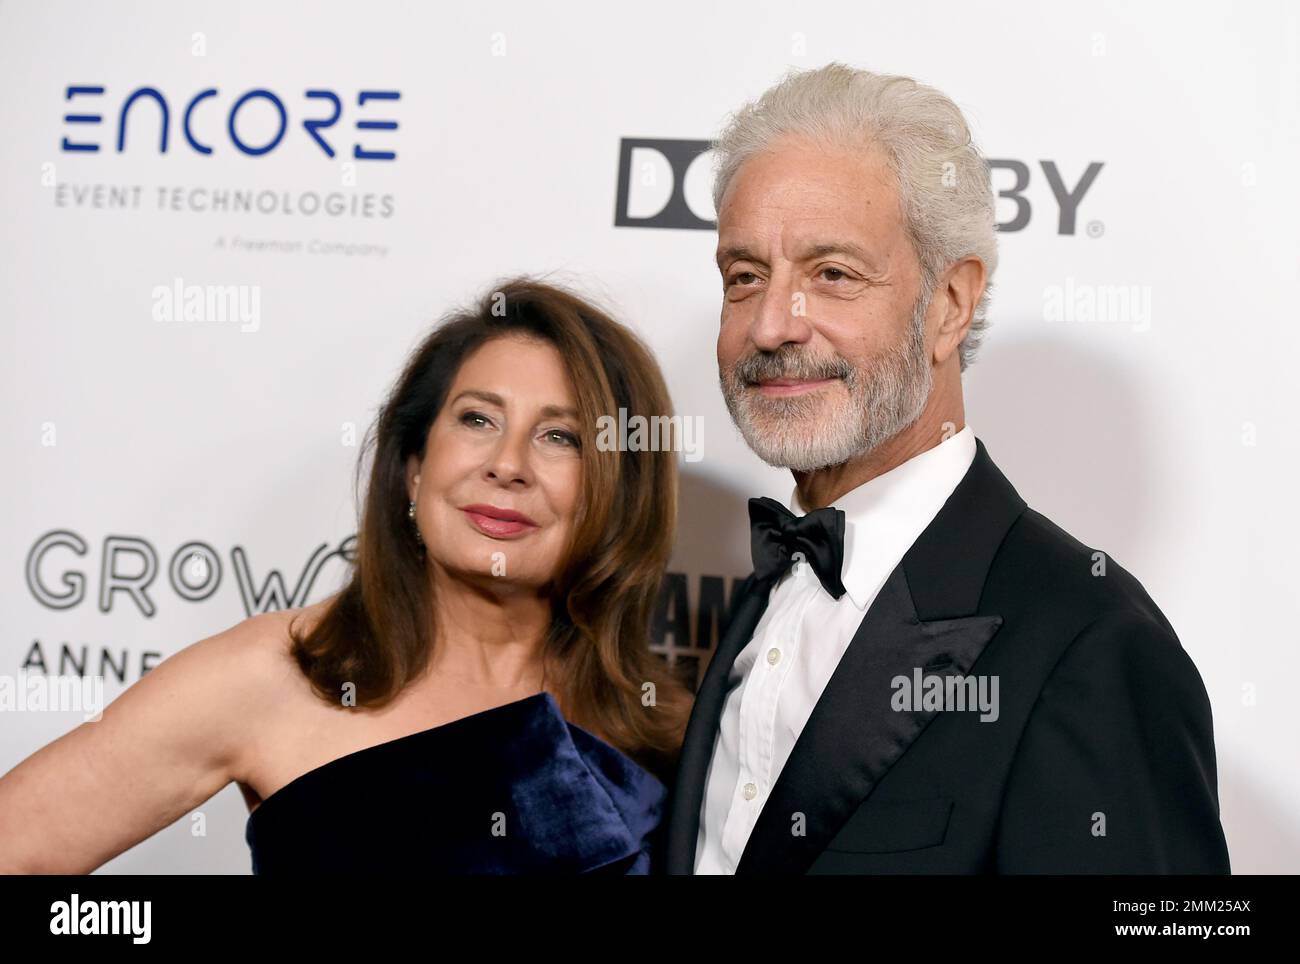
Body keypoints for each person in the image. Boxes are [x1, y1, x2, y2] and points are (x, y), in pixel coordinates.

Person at [663, 63, 1231, 874]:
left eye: (832, 274)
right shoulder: (764, 596)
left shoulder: (1093, 644)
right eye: (745, 276)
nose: (771, 325)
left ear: (951, 305)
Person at [0, 276, 692, 874]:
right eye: (477, 419)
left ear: (616, 490)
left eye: (559, 436)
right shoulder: (279, 674)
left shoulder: (667, 729)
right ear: (414, 467)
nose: (507, 464)